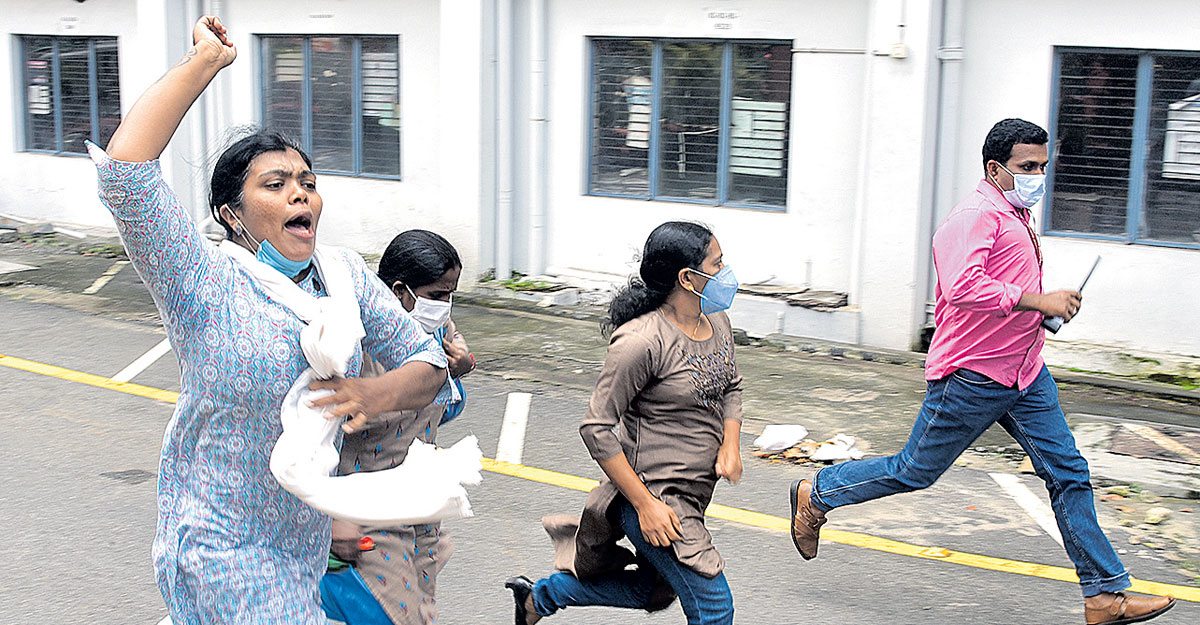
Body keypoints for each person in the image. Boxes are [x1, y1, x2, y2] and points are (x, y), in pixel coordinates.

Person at [93, 16, 451, 624]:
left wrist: (375, 392)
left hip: (302, 540)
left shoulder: (343, 277)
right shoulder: (202, 279)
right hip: (216, 541)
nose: (300, 194)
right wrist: (204, 62)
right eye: (276, 184)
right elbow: (125, 172)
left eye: (307, 183)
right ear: (231, 214)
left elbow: (430, 364)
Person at [788, 119, 1176, 625]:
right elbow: (963, 286)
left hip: (1025, 373)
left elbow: (1004, 286)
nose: (1038, 177)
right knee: (915, 471)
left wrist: (1046, 310)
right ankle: (818, 492)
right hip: (972, 375)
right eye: (1027, 167)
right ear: (995, 169)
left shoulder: (1016, 213)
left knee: (1069, 473)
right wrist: (1038, 300)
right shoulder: (973, 217)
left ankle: (1104, 596)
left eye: (1043, 166)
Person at [505, 221, 745, 625]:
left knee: (652, 591)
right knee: (714, 607)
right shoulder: (641, 342)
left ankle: (537, 598)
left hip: (695, 492)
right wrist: (645, 505)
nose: (726, 273)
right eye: (717, 265)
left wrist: (730, 442)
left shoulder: (716, 320)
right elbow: (595, 428)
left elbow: (732, 384)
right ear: (687, 278)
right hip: (657, 497)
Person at [320, 230, 474, 625]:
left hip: (418, 507)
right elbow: (320, 435)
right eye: (437, 295)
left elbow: (441, 413)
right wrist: (337, 516)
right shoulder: (352, 346)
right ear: (400, 292)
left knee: (420, 610)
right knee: (392, 613)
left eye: (451, 294)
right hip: (364, 507)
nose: (445, 306)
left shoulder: (438, 333)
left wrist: (458, 372)